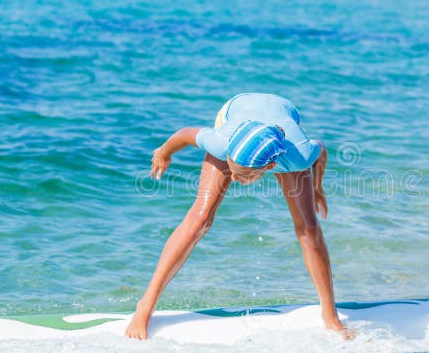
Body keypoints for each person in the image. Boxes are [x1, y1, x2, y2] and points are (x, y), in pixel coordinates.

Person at [125, 92, 352, 340]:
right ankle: (145, 306)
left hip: (283, 118)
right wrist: (163, 152)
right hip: (237, 113)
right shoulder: (221, 141)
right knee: (199, 219)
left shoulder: (298, 154)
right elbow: (186, 134)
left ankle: (330, 316)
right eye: (232, 170)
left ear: (269, 168)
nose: (233, 179)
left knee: (309, 227)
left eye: (243, 176)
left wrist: (318, 189)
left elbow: (321, 150)